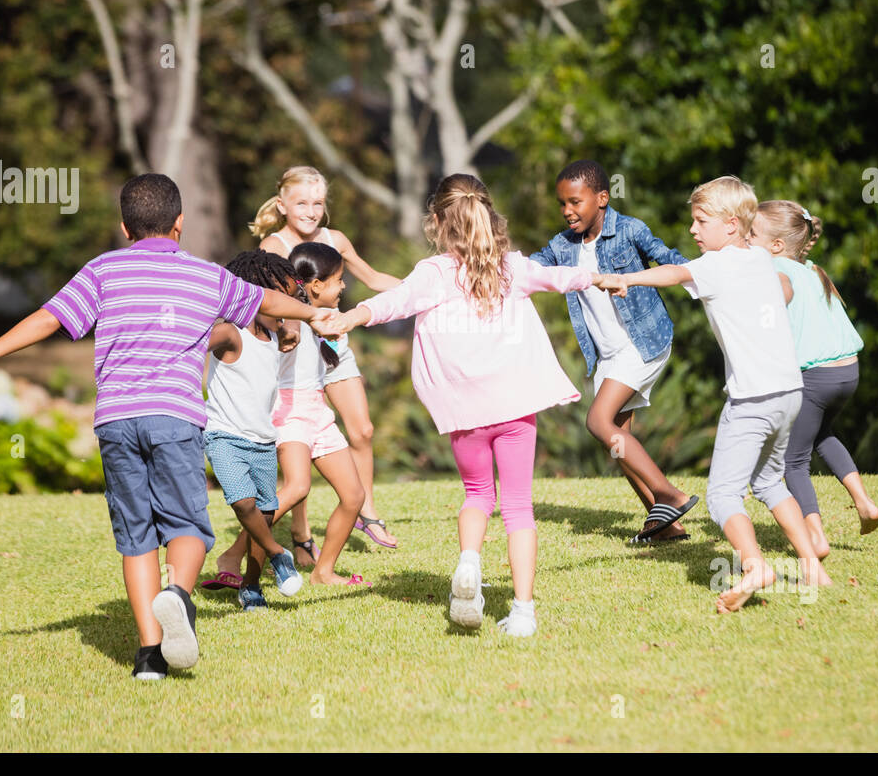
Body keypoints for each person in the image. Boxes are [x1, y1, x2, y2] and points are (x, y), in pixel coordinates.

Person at [0, 174, 332, 680]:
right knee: (189, 527)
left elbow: (48, 318)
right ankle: (176, 595)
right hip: (172, 416)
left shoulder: (103, 270)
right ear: (179, 223)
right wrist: (314, 314)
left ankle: (149, 658)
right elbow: (268, 302)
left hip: (115, 419)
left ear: (125, 227)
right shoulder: (204, 276)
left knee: (136, 538)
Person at [322, 174, 613, 637]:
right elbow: (561, 279)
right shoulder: (511, 268)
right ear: (488, 217)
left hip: (465, 413)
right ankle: (522, 612)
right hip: (516, 409)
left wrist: (351, 316)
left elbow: (392, 303)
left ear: (437, 222)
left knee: (478, 495)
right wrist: (601, 277)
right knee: (519, 508)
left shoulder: (433, 273)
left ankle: (469, 563)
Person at [596, 176, 832, 613]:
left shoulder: (715, 264)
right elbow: (787, 288)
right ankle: (811, 563)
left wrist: (626, 278)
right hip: (789, 393)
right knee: (767, 480)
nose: (692, 230)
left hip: (753, 399)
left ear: (729, 224)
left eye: (700, 221)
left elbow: (673, 272)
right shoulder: (760, 259)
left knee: (724, 495)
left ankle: (754, 565)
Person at [531, 160, 699, 542]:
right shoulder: (562, 246)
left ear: (602, 198)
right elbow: (532, 267)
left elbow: (665, 255)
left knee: (597, 422)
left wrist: (710, 275)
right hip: (606, 354)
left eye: (575, 202)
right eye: (562, 204)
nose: (567, 211)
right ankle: (665, 521)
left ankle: (669, 493)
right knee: (618, 440)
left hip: (643, 342)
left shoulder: (628, 230)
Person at [250, 165, 399, 555]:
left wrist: (426, 288)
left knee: (362, 430)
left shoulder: (333, 239)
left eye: (318, 203)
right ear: (282, 205)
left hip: (335, 344)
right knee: (300, 444)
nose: (311, 211)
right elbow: (275, 307)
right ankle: (301, 536)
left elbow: (372, 277)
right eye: (302, 203)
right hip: (295, 355)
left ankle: (366, 511)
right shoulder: (273, 247)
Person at [747, 200, 878, 557]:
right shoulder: (812, 269)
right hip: (847, 372)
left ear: (776, 245)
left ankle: (816, 538)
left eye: (752, 234)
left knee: (792, 460)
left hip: (816, 377)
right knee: (823, 433)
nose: (745, 240)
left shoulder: (775, 270)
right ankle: (865, 503)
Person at [203, 251, 308, 607]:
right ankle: (280, 555)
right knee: (243, 504)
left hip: (263, 440)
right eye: (277, 300)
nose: (284, 309)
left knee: (263, 514)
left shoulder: (275, 335)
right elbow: (200, 339)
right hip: (224, 436)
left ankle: (251, 585)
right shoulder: (229, 333)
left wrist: (288, 332)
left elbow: (290, 328)